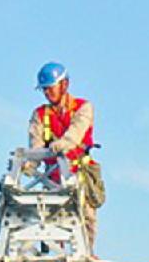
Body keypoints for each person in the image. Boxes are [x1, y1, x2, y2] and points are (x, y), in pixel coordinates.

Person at [25, 61, 105, 249]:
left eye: (50, 88)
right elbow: (36, 147)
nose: (47, 93)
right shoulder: (39, 114)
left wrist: (59, 145)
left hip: (79, 173)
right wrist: (28, 165)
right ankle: (48, 242)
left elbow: (74, 136)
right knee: (45, 217)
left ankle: (87, 255)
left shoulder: (83, 107)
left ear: (64, 84)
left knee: (86, 218)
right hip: (52, 178)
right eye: (44, 90)